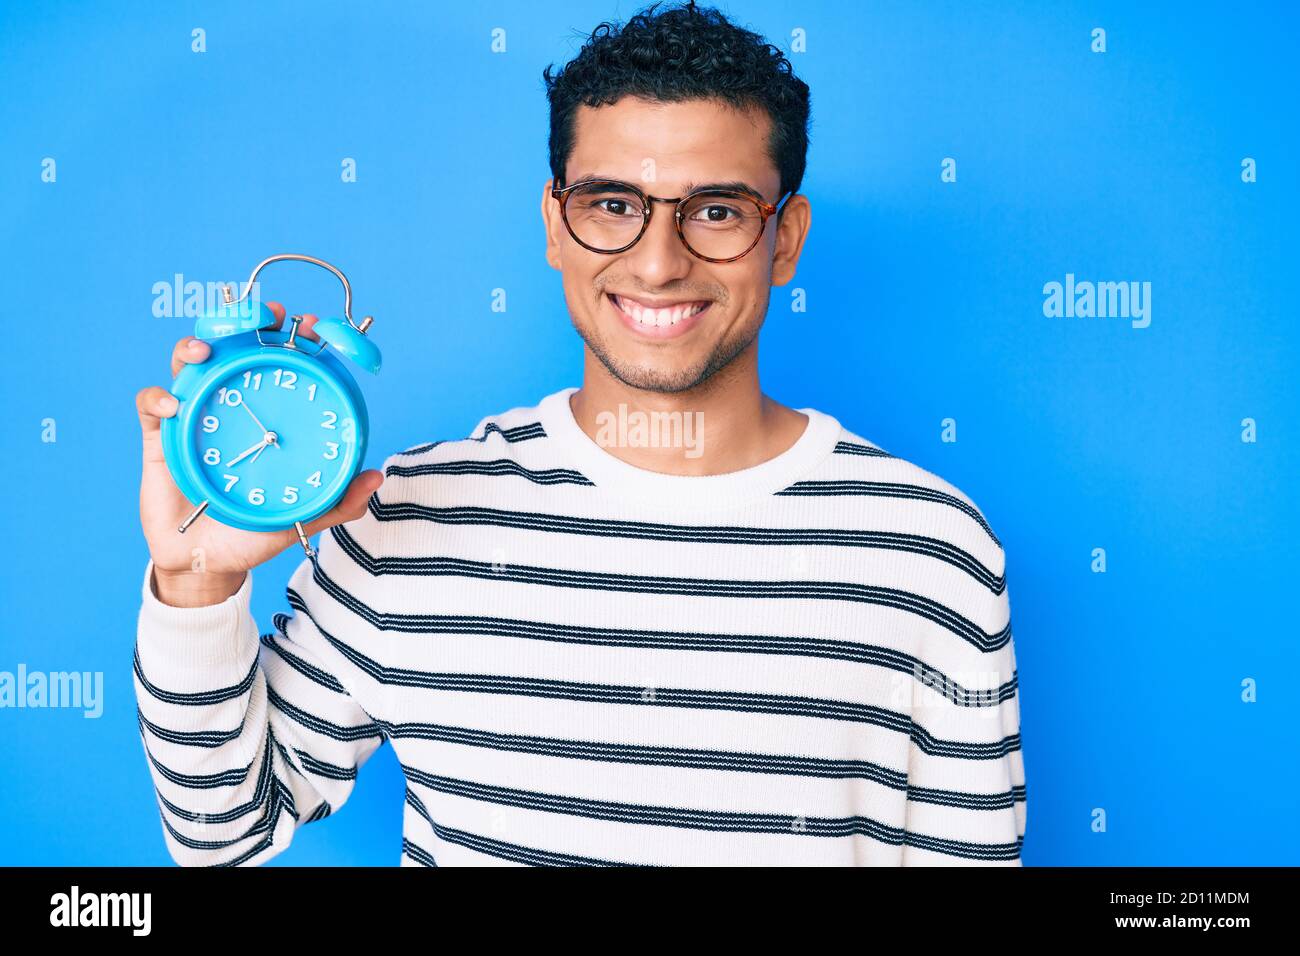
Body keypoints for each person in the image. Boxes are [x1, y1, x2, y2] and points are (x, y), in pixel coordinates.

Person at [133, 0, 1026, 866]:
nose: (657, 261)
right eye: (612, 204)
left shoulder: (929, 550)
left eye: (715, 210)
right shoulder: (402, 519)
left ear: (783, 238)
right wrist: (192, 584)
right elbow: (221, 835)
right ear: (556, 225)